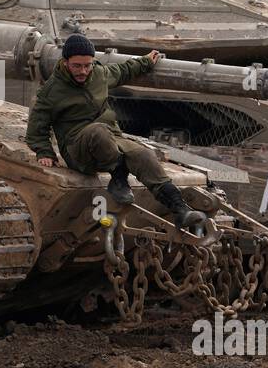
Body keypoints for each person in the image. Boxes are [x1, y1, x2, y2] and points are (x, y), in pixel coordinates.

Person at [25, 33, 205, 228]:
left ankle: (179, 208)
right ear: (65, 62)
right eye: (77, 66)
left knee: (143, 154)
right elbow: (36, 128)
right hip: (78, 149)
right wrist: (44, 152)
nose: (83, 71)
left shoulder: (99, 74)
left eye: (88, 65)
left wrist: (145, 62)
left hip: (111, 137)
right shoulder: (51, 91)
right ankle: (118, 179)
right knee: (98, 131)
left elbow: (124, 70)